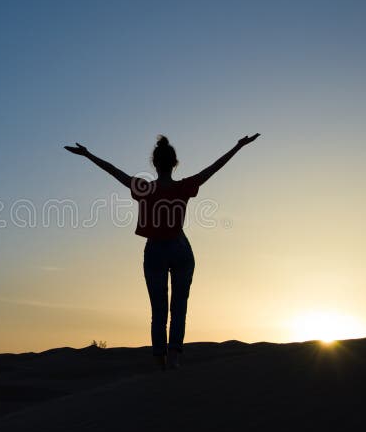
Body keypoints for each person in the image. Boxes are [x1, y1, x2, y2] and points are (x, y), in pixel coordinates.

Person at [64, 133, 260, 370]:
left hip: (156, 249)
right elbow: (213, 168)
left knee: (159, 310)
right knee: (179, 308)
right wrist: (238, 146)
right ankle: (174, 359)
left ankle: (159, 361)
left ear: (154, 163)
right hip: (180, 248)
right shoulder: (183, 186)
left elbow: (115, 172)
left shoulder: (144, 188)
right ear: (174, 163)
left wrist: (87, 154)